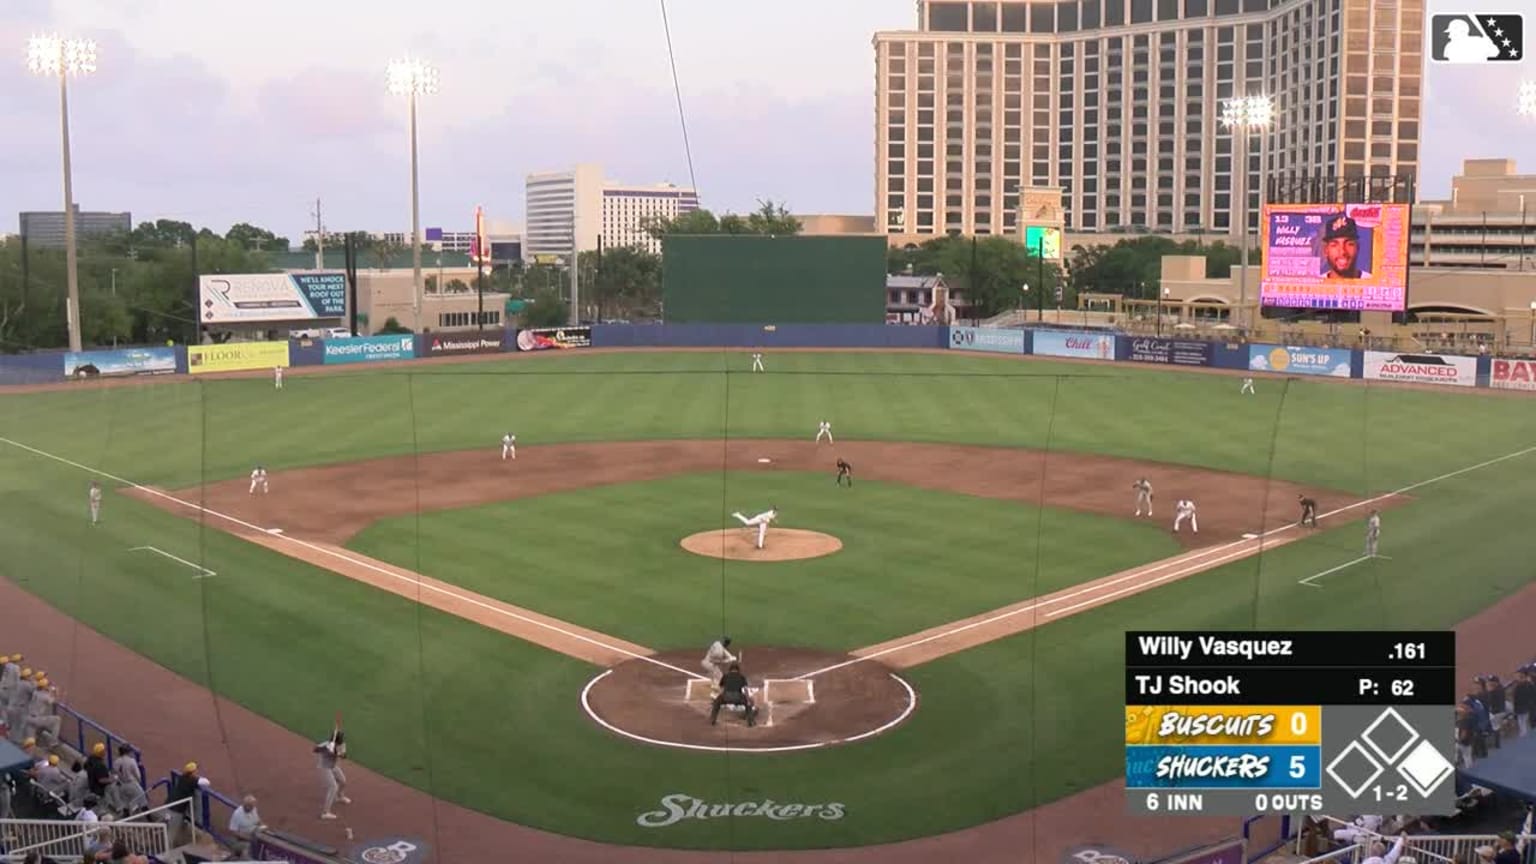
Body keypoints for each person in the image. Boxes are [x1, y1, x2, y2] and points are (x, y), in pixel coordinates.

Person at [1320, 214, 1372, 280]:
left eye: (1349, 244)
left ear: (1357, 248)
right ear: (1326, 250)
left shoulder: (1374, 281)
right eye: (1334, 245)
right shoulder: (1315, 283)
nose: (1342, 252)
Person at [315, 730, 350, 820]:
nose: (342, 739)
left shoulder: (341, 745)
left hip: (333, 766)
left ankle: (339, 797)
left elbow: (344, 756)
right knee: (333, 787)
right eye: (341, 738)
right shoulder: (327, 744)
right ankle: (325, 813)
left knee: (343, 781)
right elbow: (315, 749)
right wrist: (325, 748)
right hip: (324, 767)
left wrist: (335, 752)